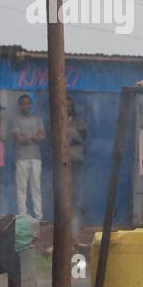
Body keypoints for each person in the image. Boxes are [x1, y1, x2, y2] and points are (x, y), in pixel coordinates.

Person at [13, 92, 45, 219]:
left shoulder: (38, 119)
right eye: (23, 104)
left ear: (31, 105)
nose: (26, 106)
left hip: (36, 157)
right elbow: (19, 139)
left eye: (28, 104)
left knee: (36, 187)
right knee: (22, 188)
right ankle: (22, 215)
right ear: (20, 106)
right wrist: (34, 137)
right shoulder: (16, 120)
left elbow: (42, 137)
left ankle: (38, 216)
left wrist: (28, 137)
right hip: (22, 158)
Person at [66, 97, 87, 234]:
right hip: (62, 162)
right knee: (63, 191)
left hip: (75, 160)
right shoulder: (57, 122)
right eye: (64, 105)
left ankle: (77, 220)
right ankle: (66, 220)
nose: (67, 108)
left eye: (69, 105)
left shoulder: (78, 123)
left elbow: (83, 137)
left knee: (76, 191)